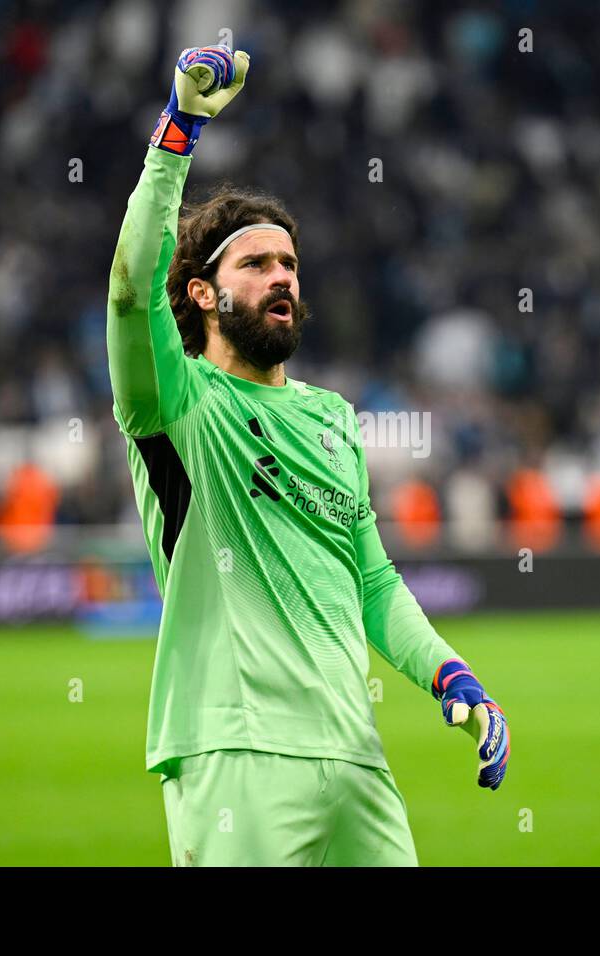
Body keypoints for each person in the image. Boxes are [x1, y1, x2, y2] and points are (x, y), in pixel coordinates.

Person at [105, 44, 510, 867]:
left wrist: (449, 673)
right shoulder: (177, 403)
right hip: (238, 753)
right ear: (203, 295)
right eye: (255, 263)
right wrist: (176, 133)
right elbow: (126, 286)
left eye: (289, 262)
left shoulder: (331, 419)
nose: (281, 275)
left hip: (356, 758)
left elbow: (371, 579)